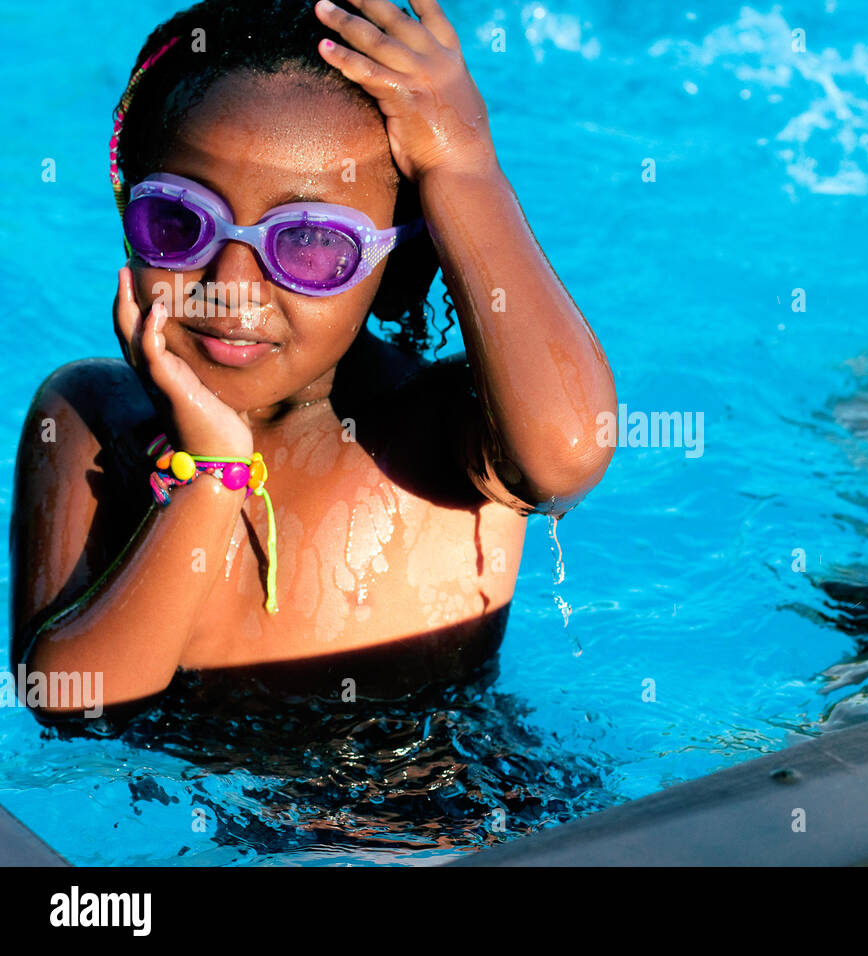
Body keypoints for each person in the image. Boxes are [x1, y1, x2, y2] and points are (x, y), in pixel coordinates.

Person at [9, 0, 616, 714]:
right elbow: (65, 704)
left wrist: (463, 166)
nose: (230, 287)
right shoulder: (93, 420)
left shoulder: (440, 431)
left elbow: (569, 453)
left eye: (308, 241)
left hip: (443, 812)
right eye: (178, 221)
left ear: (394, 259)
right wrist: (210, 476)